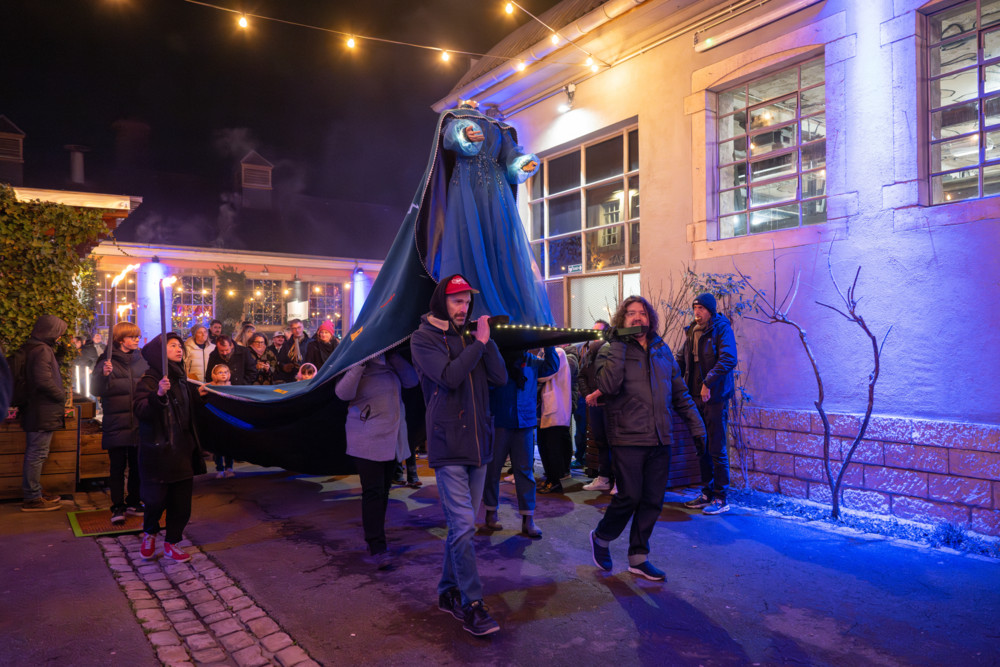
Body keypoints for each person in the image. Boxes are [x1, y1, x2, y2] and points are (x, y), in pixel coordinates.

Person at [410, 274, 507, 636]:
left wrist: (487, 342)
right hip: (448, 443)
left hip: (479, 444)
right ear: (441, 302)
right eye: (456, 301)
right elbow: (449, 376)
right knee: (465, 526)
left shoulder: (472, 338)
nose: (464, 307)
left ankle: (447, 591)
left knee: (460, 527)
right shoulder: (423, 338)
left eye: (467, 301)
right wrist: (477, 345)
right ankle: (473, 602)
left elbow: (499, 377)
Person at [588, 296, 706, 582]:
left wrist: (697, 427)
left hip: (660, 437)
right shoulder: (611, 349)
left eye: (642, 313)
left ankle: (638, 558)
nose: (637, 318)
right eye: (630, 314)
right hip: (627, 436)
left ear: (650, 319)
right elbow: (607, 385)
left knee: (653, 499)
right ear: (622, 320)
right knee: (629, 496)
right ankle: (602, 536)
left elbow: (679, 392)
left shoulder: (661, 350)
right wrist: (616, 342)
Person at [421, 101, 553, 326]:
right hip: (467, 190)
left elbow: (511, 158)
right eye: (469, 104)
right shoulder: (455, 117)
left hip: (497, 192)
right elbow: (451, 135)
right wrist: (465, 133)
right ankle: (470, 310)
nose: (473, 106)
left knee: (501, 247)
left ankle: (508, 306)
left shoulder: (499, 128)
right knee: (468, 241)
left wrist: (523, 163)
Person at [335, 350, 418, 570]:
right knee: (373, 491)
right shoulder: (358, 362)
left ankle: (377, 535)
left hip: (391, 438)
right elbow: (342, 393)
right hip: (366, 439)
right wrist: (360, 363)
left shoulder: (391, 361)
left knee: (383, 491)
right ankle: (377, 545)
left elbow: (411, 381)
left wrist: (394, 356)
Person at [135, 333, 208, 563]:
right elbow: (141, 410)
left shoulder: (182, 379)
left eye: (179, 346)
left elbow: (187, 411)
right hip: (158, 451)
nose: (179, 349)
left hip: (182, 450)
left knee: (181, 502)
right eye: (173, 346)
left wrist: (201, 397)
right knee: (155, 500)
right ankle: (149, 533)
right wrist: (158, 395)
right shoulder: (149, 380)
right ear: (160, 351)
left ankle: (172, 542)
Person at [483, 346, 558, 538]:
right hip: (499, 421)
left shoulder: (530, 360)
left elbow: (551, 367)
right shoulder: (495, 358)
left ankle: (528, 518)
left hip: (524, 422)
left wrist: (548, 345)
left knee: (525, 472)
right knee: (492, 470)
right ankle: (490, 511)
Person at [677, 293, 739, 516]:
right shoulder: (691, 331)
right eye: (695, 307)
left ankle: (721, 497)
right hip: (694, 397)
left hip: (715, 397)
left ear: (710, 310)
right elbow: (681, 359)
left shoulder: (721, 328)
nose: (697, 312)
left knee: (716, 447)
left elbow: (729, 358)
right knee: (701, 446)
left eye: (702, 308)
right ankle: (706, 493)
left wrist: (708, 382)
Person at [91, 321, 148, 524]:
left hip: (138, 422)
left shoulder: (141, 359)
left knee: (137, 465)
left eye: (137, 337)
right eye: (132, 336)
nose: (136, 340)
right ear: (120, 338)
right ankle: (117, 506)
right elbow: (95, 390)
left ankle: (134, 500)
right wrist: (103, 376)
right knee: (117, 467)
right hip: (116, 421)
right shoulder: (106, 360)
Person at [20, 315, 68, 512]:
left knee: (37, 453)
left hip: (37, 409)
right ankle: (32, 497)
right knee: (37, 453)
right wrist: (61, 396)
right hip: (42, 410)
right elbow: (42, 379)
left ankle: (35, 491)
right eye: (59, 333)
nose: (60, 337)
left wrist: (60, 357)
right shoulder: (41, 350)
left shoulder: (35, 347)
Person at [580, 321, 614, 492]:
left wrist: (597, 393)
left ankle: (617, 481)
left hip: (609, 404)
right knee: (600, 442)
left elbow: (611, 377)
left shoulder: (610, 349)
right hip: (594, 404)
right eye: (592, 331)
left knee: (614, 443)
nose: (594, 335)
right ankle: (604, 478)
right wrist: (588, 395)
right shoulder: (588, 353)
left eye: (598, 332)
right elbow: (581, 376)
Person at [536, 346, 573, 494]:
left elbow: (545, 374)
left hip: (555, 407)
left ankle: (556, 481)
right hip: (545, 408)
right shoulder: (545, 352)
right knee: (544, 446)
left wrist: (530, 369)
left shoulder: (558, 352)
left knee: (553, 448)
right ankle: (550, 479)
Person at [208, 363, 235, 479]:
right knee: (218, 447)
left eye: (225, 372)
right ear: (214, 375)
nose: (223, 375)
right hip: (216, 420)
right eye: (220, 372)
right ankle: (219, 469)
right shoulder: (210, 388)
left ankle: (229, 467)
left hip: (228, 420)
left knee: (229, 445)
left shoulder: (232, 388)